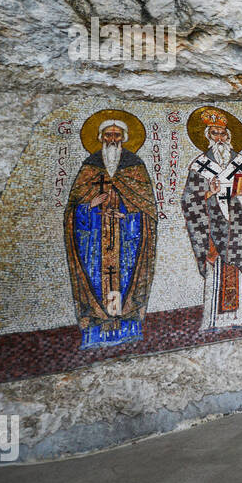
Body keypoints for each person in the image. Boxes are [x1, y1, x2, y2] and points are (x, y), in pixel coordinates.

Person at [64, 111, 157, 348]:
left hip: (127, 241)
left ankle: (127, 326)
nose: (112, 139)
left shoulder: (135, 166)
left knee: (127, 280)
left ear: (124, 138)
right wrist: (90, 206)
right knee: (95, 281)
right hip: (94, 242)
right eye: (108, 135)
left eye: (116, 135)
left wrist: (127, 216)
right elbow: (72, 210)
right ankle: (96, 330)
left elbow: (148, 210)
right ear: (100, 137)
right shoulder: (90, 166)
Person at [181, 107, 242, 331]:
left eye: (223, 134)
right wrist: (208, 194)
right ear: (207, 137)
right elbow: (188, 201)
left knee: (241, 272)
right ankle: (214, 321)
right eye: (215, 134)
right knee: (217, 270)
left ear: (229, 137)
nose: (219, 139)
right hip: (214, 230)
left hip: (240, 230)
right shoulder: (199, 166)